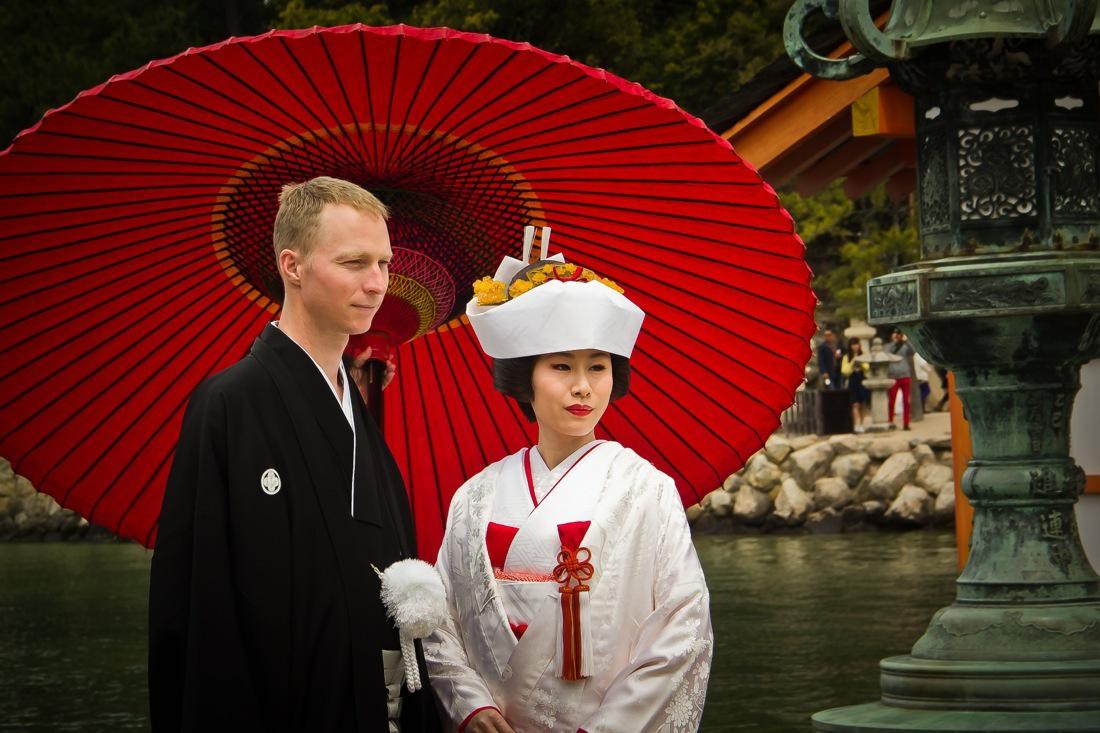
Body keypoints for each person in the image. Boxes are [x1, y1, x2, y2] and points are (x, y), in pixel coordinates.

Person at [148, 177, 440, 733]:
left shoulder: (356, 407)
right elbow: (199, 604)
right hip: (279, 705)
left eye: (384, 263)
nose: (378, 284)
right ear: (293, 265)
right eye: (355, 262)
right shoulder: (229, 403)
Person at [425, 245, 713, 732]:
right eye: (561, 367)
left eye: (597, 367)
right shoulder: (475, 497)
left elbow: (681, 628)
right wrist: (471, 705)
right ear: (525, 379)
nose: (583, 387)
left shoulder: (646, 490)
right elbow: (440, 616)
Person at [885, 327, 915, 430]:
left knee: (906, 401)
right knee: (891, 400)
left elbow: (913, 351)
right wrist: (895, 342)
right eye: (894, 333)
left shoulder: (905, 346)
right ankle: (890, 422)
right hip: (893, 376)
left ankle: (906, 423)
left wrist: (906, 341)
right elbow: (887, 354)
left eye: (898, 333)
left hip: (905, 375)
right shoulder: (888, 346)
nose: (896, 335)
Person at [840, 340, 870, 432]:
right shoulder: (846, 357)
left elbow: (867, 367)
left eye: (856, 344)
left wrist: (860, 362)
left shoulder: (864, 355)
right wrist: (853, 361)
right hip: (853, 381)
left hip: (863, 380)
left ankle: (862, 423)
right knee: (855, 404)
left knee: (863, 403)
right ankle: (856, 424)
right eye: (853, 344)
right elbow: (844, 371)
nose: (855, 346)